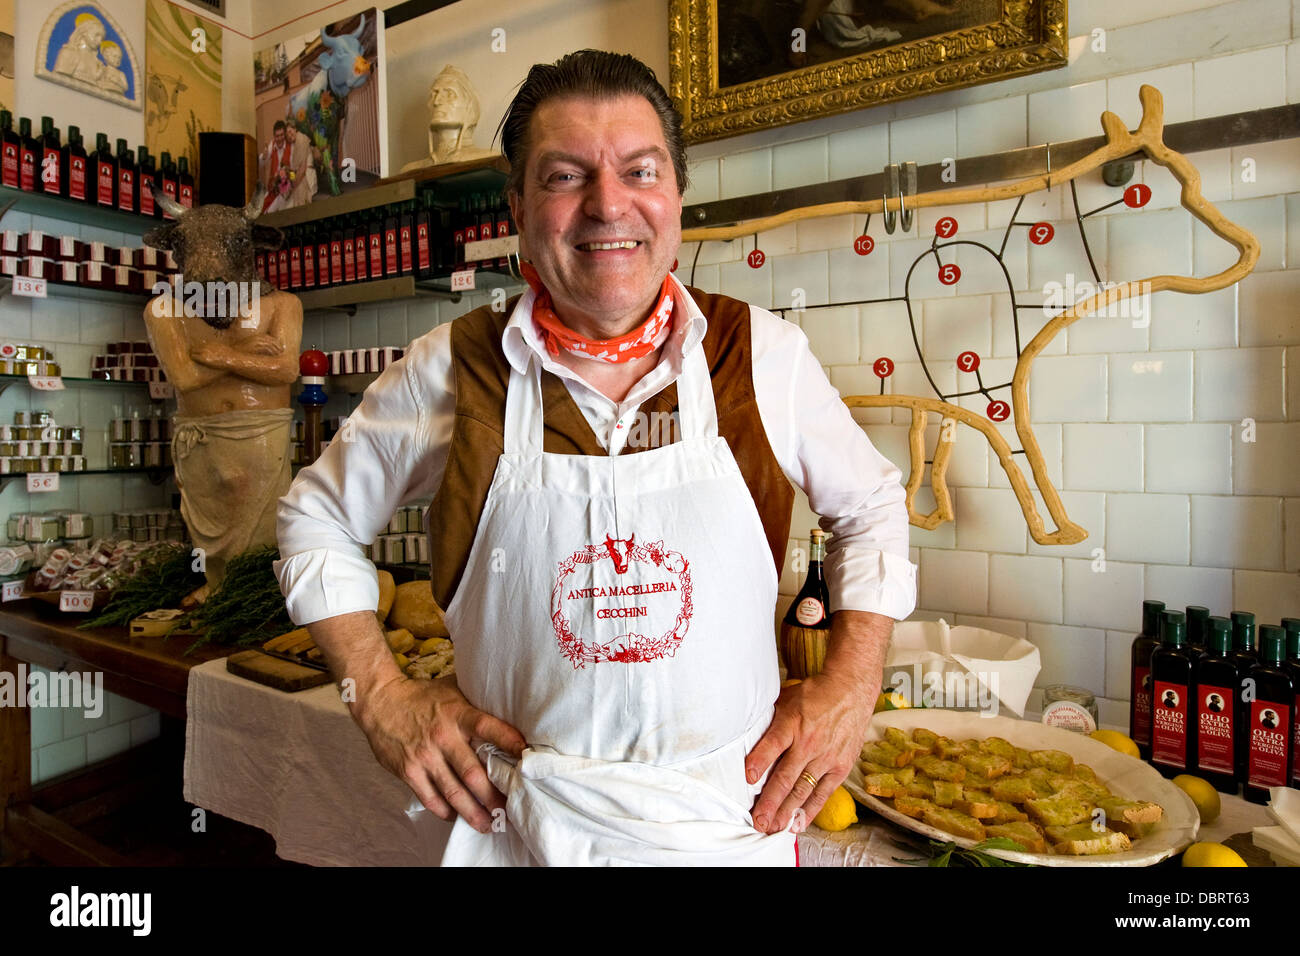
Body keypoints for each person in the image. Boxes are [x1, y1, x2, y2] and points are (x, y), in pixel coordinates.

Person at [275, 49, 915, 866]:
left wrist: (851, 686)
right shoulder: (453, 368)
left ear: (676, 196)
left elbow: (871, 508)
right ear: (518, 207)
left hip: (725, 830)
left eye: (639, 171)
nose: (608, 206)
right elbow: (314, 519)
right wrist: (382, 696)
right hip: (516, 830)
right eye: (565, 176)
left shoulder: (761, 357)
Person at [260, 119, 316, 212]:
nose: (280, 138)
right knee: (263, 209)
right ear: (274, 136)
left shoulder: (292, 146)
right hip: (273, 188)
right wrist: (263, 157)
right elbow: (262, 163)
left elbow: (295, 170)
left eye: (282, 135)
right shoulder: (272, 144)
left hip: (286, 188)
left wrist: (291, 182)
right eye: (277, 136)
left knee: (279, 211)